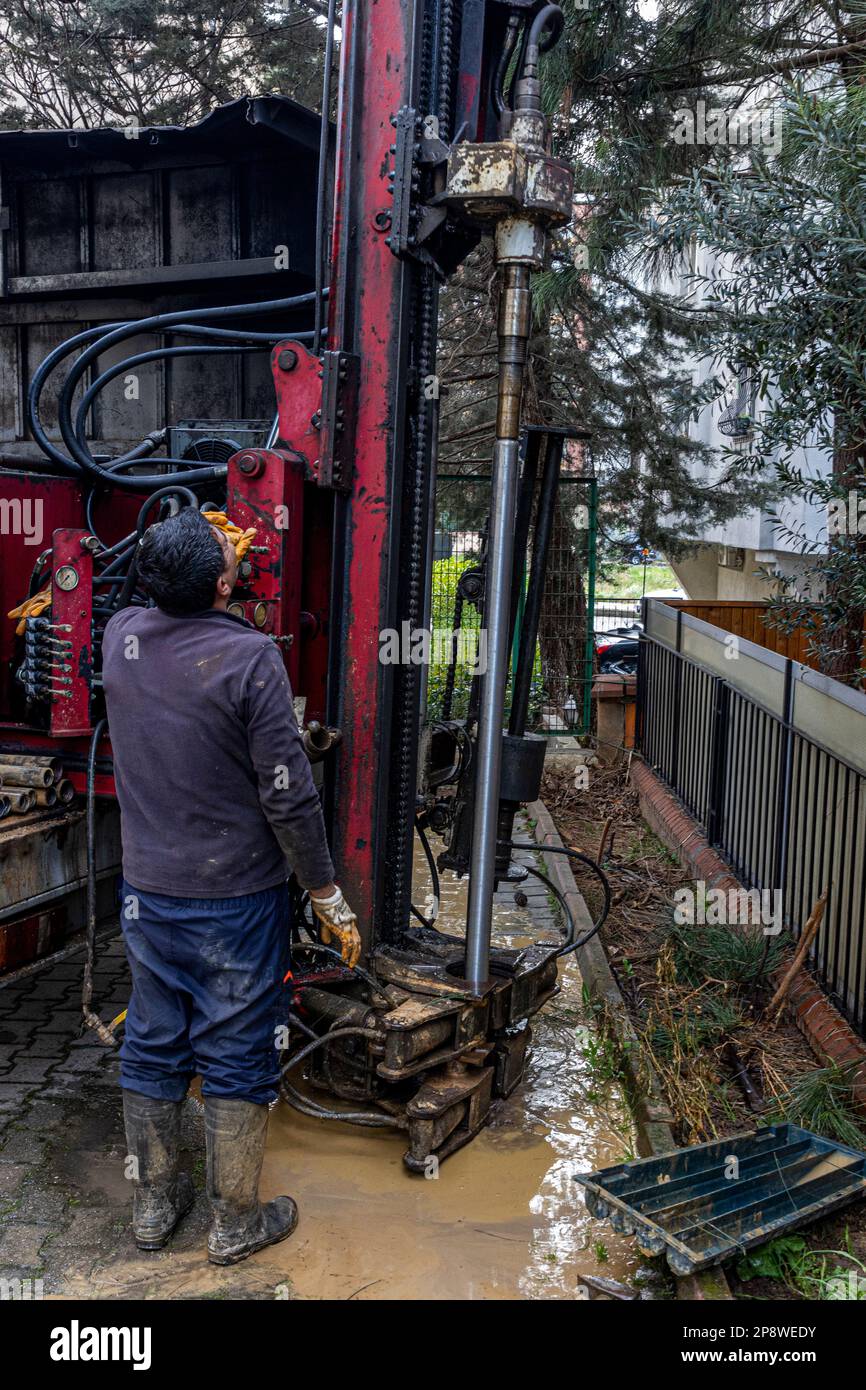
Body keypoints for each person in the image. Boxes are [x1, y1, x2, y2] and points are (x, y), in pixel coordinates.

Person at [102, 506, 360, 1265]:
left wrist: (187, 558)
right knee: (237, 1048)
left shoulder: (121, 640)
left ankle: (154, 1208)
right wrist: (323, 891)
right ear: (226, 581)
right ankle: (235, 1221)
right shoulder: (252, 660)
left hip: (148, 893)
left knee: (152, 1040)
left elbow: (145, 600)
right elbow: (288, 793)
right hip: (235, 898)